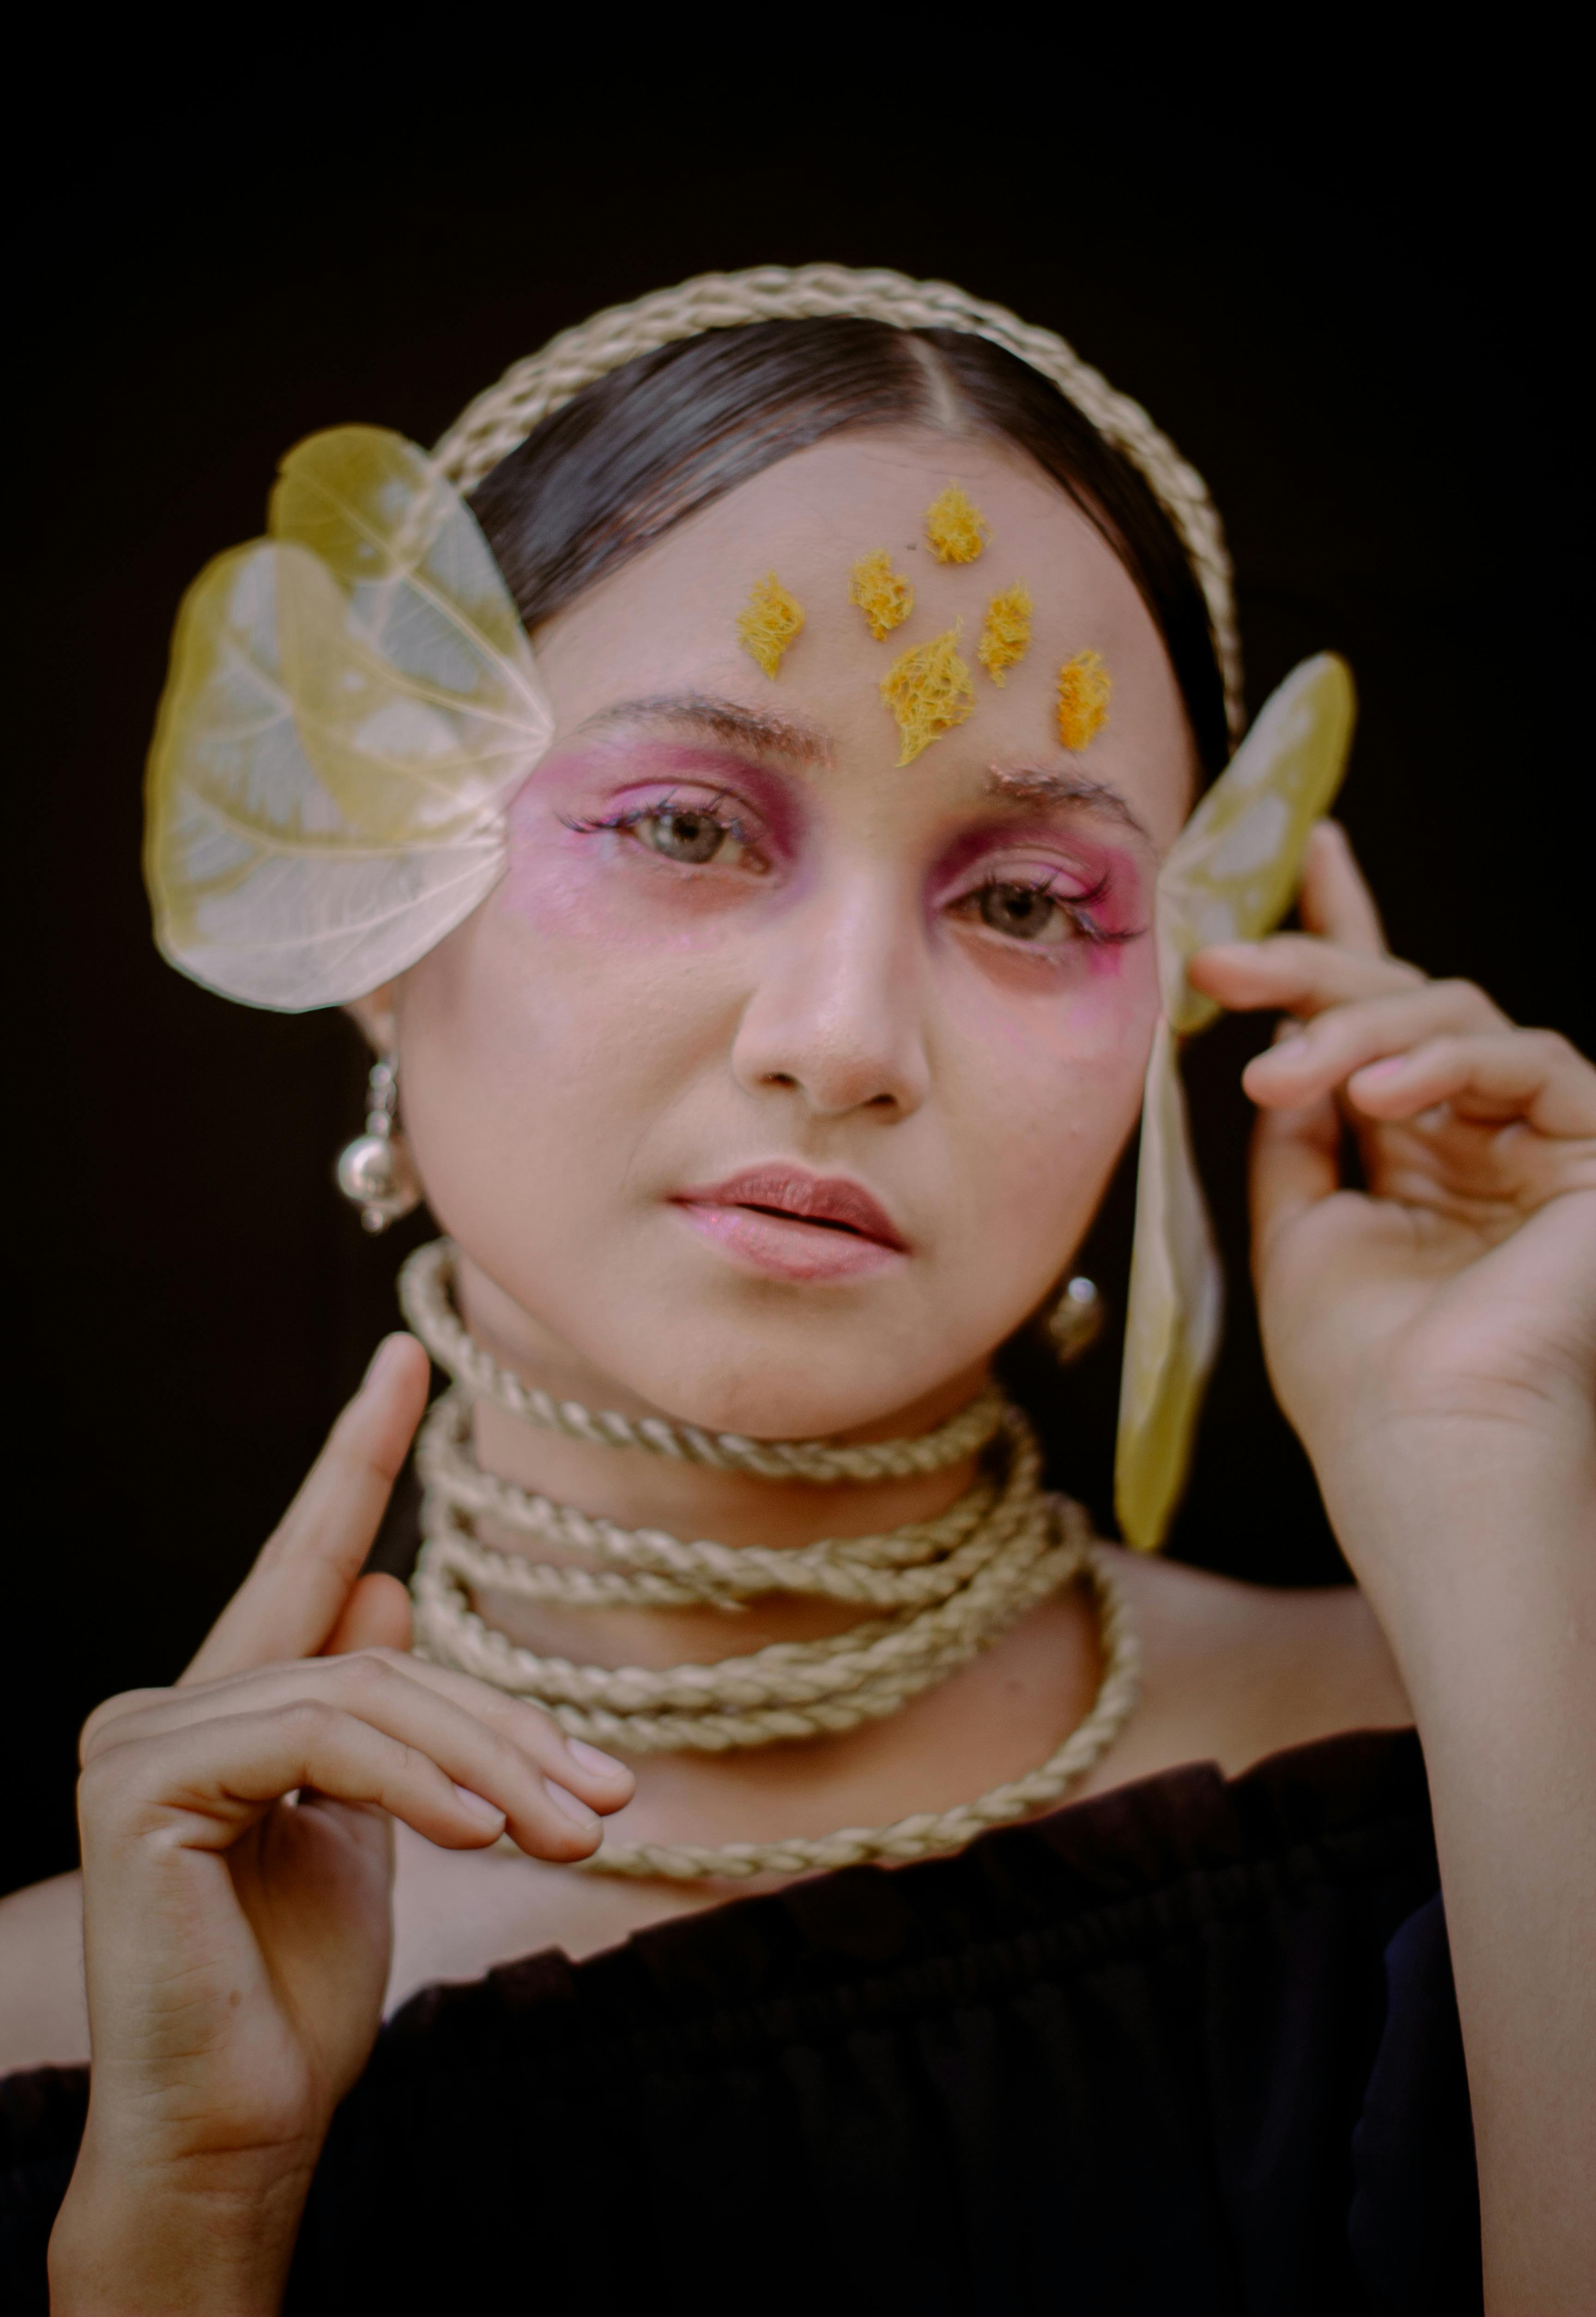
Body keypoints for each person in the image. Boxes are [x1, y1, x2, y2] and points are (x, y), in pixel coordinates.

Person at [1, 271, 1590, 2315]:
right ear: (367, 880)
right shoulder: (81, 2040)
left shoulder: (1481, 1751)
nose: (843, 1038)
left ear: (1185, 995)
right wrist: (194, 2213)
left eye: (1027, 901)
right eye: (685, 824)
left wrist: (1498, 1502)